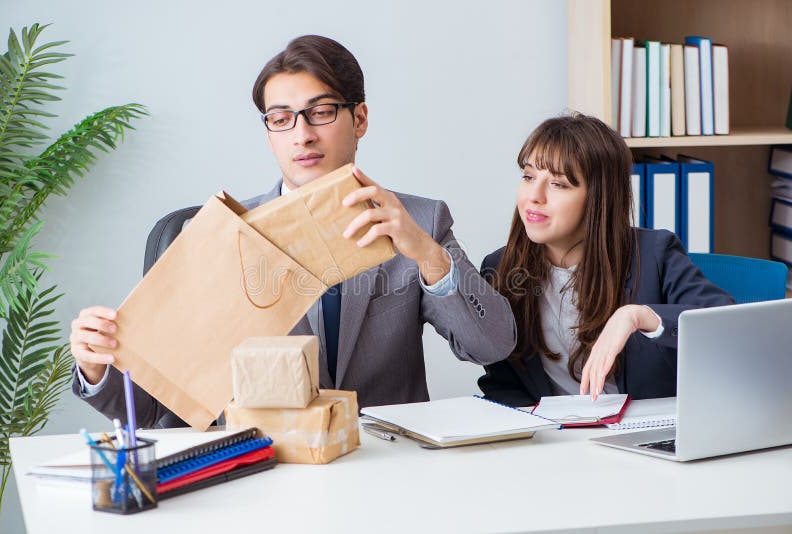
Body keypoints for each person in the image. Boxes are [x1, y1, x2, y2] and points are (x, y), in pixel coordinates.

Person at [69, 35, 516, 427]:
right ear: (269, 133)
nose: (301, 135)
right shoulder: (223, 233)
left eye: (319, 112)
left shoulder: (419, 221)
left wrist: (427, 254)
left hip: (383, 468)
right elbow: (146, 411)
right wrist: (96, 366)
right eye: (281, 119)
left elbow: (493, 346)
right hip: (264, 469)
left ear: (359, 119)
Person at [478, 113, 734, 407]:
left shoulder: (654, 254)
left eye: (558, 184)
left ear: (599, 197)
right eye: (528, 176)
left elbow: (725, 326)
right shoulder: (501, 268)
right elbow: (503, 383)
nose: (534, 196)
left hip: (645, 435)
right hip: (552, 440)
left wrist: (638, 316)